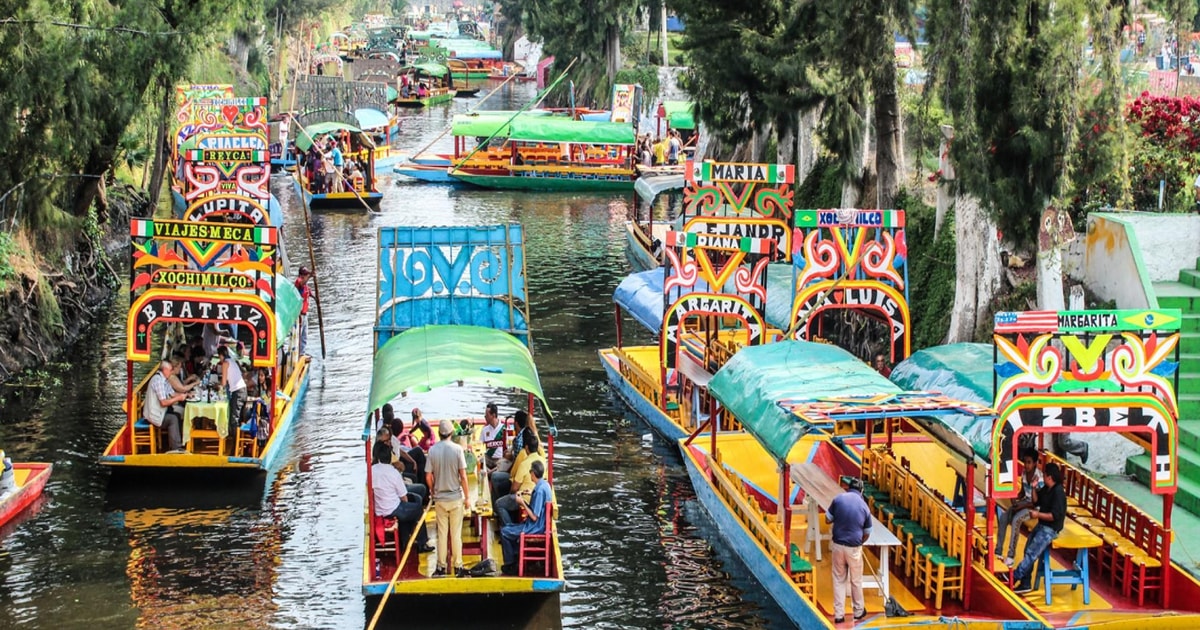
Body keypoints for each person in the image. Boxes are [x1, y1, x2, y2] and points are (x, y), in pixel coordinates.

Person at [1012, 462, 1067, 593]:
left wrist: (1037, 514)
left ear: (1049, 477)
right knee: (1027, 550)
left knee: (1032, 553)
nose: (1042, 477)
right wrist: (1034, 488)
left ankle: (1014, 576)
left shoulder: (1058, 492)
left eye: (1044, 475)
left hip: (1050, 529)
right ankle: (1025, 582)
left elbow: (1054, 516)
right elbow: (1037, 501)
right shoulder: (1047, 489)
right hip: (1042, 525)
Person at [426, 419, 470, 578]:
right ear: (451, 434)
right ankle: (458, 566)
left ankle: (441, 567)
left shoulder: (432, 451)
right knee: (456, 534)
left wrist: (432, 491)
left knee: (442, 534)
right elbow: (463, 477)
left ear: (439, 434)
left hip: (440, 499)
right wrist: (467, 498)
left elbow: (428, 476)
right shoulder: (458, 450)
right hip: (455, 498)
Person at [372, 441, 433, 554]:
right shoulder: (393, 473)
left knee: (413, 502)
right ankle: (422, 543)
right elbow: (404, 498)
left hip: (380, 508)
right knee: (417, 510)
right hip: (392, 509)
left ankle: (405, 541)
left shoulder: (371, 471)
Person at [826, 475, 871, 624]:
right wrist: (859, 543)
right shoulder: (864, 506)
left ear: (848, 487)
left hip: (838, 545)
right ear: (861, 490)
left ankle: (839, 615)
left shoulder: (838, 499)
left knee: (839, 580)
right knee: (856, 580)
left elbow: (827, 519)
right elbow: (867, 532)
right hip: (854, 548)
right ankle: (858, 611)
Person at [500, 459, 553, 576]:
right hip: (540, 523)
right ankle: (515, 557)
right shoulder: (544, 485)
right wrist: (529, 494)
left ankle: (511, 564)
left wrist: (522, 503)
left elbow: (534, 516)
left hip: (535, 527)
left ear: (533, 474)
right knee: (509, 526)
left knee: (504, 531)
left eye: (530, 472)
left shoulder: (539, 491)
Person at [995, 448, 1044, 566]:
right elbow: (1023, 492)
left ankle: (1011, 556)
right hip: (1025, 503)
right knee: (1004, 517)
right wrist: (1015, 498)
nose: (1026, 465)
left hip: (1034, 508)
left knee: (1017, 520)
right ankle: (998, 551)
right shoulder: (1024, 473)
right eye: (1025, 462)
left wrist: (1021, 506)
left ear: (1035, 463)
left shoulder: (1039, 478)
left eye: (1029, 462)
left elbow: (1037, 502)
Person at [494, 430, 543, 526]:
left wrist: (509, 496)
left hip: (524, 498)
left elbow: (514, 489)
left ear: (526, 448)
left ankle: (509, 528)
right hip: (535, 496)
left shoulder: (524, 464)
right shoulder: (543, 460)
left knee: (498, 504)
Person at [145, 359, 187, 453]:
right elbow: (163, 403)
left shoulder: (164, 380)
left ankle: (178, 443)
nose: (172, 372)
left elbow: (172, 394)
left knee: (177, 415)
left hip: (160, 411)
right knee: (173, 419)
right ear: (164, 370)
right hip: (154, 415)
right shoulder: (158, 381)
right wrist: (178, 398)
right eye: (170, 369)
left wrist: (186, 395)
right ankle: (175, 448)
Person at [217, 345, 248, 432]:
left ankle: (234, 443)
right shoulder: (233, 361)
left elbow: (223, 383)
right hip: (243, 390)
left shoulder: (225, 363)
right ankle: (237, 439)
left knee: (234, 420)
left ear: (221, 355)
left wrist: (217, 386)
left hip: (237, 392)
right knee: (240, 417)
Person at [480, 403, 505, 471]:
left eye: (487, 415)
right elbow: (480, 446)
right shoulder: (484, 430)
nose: (485, 417)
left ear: (493, 415)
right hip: (488, 458)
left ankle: (490, 472)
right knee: (480, 460)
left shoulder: (504, 429)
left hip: (500, 459)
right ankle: (491, 472)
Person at [294, 267, 313, 356]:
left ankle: (302, 353)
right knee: (299, 335)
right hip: (299, 314)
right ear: (301, 275)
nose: (306, 277)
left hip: (305, 314)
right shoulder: (298, 282)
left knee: (304, 335)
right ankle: (297, 353)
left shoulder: (306, 287)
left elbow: (310, 293)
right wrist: (310, 277)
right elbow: (301, 283)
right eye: (305, 275)